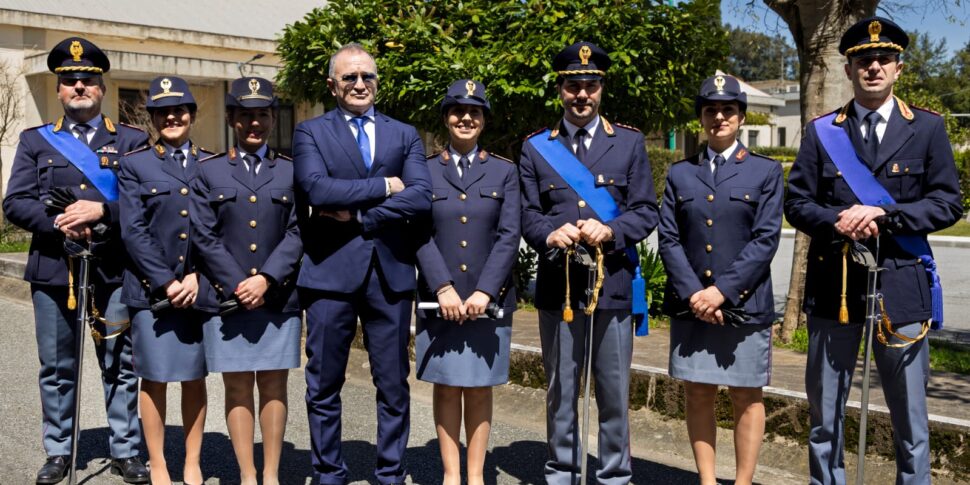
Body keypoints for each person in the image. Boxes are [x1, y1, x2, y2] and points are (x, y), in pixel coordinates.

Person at [785, 17, 962, 485]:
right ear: (849, 69)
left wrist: (887, 216)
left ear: (899, 68)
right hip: (835, 285)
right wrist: (837, 219)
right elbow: (798, 203)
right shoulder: (822, 132)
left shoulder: (926, 129)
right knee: (825, 416)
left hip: (902, 283)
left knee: (911, 420)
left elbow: (947, 203)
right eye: (863, 59)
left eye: (883, 59)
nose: (873, 66)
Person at [2, 36, 149, 484]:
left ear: (102, 87)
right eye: (70, 82)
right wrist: (61, 221)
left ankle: (125, 450)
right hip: (54, 269)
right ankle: (59, 451)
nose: (79, 87)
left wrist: (104, 211)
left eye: (87, 80)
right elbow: (16, 201)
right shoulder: (35, 141)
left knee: (120, 364)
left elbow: (145, 202)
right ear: (60, 90)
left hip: (115, 268)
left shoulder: (133, 139)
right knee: (57, 366)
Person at [519, 41, 658, 485]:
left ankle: (615, 476)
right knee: (561, 391)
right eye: (573, 86)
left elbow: (646, 210)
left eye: (590, 86)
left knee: (614, 393)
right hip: (558, 288)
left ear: (601, 88)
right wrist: (548, 233)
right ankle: (562, 472)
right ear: (560, 89)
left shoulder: (630, 143)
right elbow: (526, 213)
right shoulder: (537, 147)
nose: (582, 94)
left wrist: (613, 231)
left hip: (612, 286)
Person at [292, 42, 431, 485]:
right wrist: (386, 186)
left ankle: (390, 472)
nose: (359, 84)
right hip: (329, 272)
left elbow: (422, 195)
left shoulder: (404, 134)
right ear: (332, 85)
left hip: (389, 275)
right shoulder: (310, 132)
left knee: (393, 385)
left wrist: (362, 212)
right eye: (349, 77)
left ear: (377, 83)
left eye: (367, 76)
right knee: (324, 384)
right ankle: (329, 472)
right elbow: (316, 190)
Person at [658, 74, 783, 485]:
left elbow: (765, 240)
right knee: (698, 392)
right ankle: (708, 480)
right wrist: (696, 293)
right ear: (701, 118)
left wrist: (721, 292)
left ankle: (743, 481)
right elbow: (669, 238)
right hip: (693, 306)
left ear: (741, 116)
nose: (719, 117)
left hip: (742, 307)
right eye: (710, 110)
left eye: (728, 109)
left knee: (746, 395)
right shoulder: (681, 175)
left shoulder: (765, 172)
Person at [190, 77, 303, 485]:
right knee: (237, 387)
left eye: (262, 115)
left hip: (278, 297)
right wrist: (240, 283)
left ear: (272, 118)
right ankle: (248, 473)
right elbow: (203, 235)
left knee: (274, 386)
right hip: (229, 298)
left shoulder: (293, 171)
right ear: (232, 119)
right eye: (246, 116)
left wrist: (267, 279)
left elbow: (299, 231)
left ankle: (272, 473)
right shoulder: (209, 170)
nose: (254, 123)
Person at [415, 79, 520, 485]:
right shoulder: (423, 171)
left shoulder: (504, 171)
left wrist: (484, 290)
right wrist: (442, 286)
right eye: (457, 111)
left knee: (478, 387)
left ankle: (475, 475)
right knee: (446, 386)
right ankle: (450, 473)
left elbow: (509, 235)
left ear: (483, 121)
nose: (465, 118)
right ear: (445, 118)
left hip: (487, 301)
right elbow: (418, 232)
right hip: (438, 301)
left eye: (474, 112)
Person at [118, 76, 213, 485]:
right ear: (153, 118)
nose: (172, 117)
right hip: (152, 292)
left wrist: (199, 277)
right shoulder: (135, 164)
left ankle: (192, 462)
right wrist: (165, 281)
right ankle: (157, 463)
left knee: (194, 377)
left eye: (180, 110)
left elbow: (220, 231)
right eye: (163, 112)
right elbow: (133, 231)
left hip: (198, 290)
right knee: (153, 379)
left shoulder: (211, 163)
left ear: (191, 114)